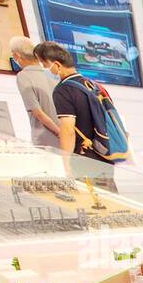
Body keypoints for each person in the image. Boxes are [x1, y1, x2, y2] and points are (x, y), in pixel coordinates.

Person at [36, 41, 122, 186]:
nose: (45, 69)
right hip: (105, 154)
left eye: (45, 65)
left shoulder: (63, 90)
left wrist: (66, 162)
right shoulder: (93, 85)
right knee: (109, 201)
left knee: (90, 204)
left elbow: (68, 130)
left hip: (84, 157)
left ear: (56, 65)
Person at [10, 37, 59, 149]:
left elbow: (38, 112)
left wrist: (58, 132)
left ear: (17, 56)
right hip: (67, 138)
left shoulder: (23, 76)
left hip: (46, 139)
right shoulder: (53, 74)